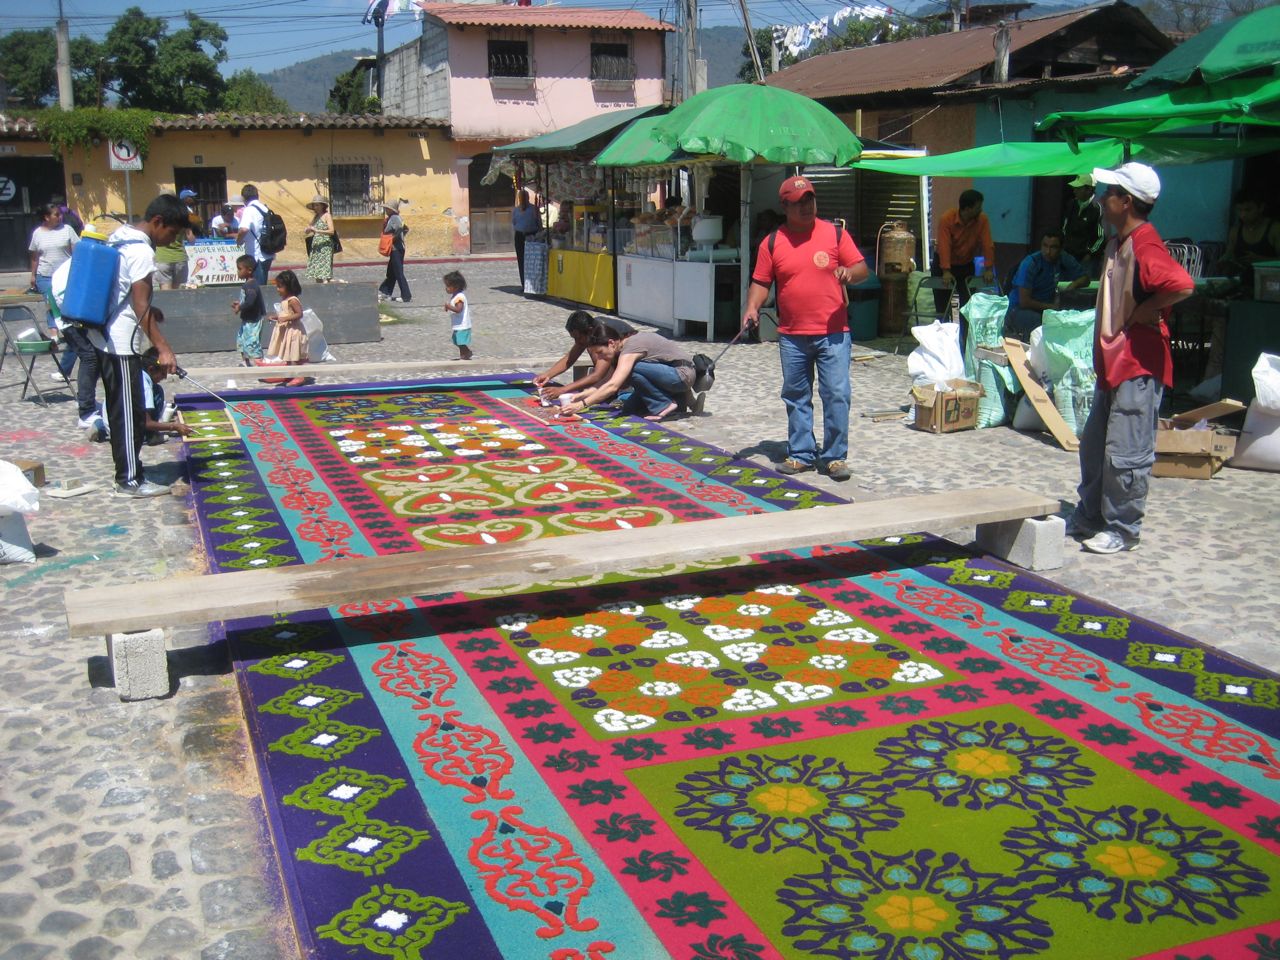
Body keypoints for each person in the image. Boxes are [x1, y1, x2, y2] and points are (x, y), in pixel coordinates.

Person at [1068, 162, 1194, 555]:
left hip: (1138, 364)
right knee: (1094, 448)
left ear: (1126, 202)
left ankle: (1123, 529)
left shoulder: (1145, 244)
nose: (1102, 198)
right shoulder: (1117, 242)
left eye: (1109, 193)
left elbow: (1182, 285)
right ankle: (1091, 515)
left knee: (1126, 451)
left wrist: (1147, 309)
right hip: (1114, 361)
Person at [740, 175, 868, 481]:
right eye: (798, 203)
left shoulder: (834, 234)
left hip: (834, 333)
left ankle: (835, 457)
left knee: (836, 394)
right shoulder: (772, 242)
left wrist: (849, 273)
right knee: (796, 395)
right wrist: (752, 307)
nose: (806, 206)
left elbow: (862, 268)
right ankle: (801, 453)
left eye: (809, 199)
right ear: (785, 206)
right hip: (792, 336)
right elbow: (761, 281)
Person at [86, 194, 187, 498]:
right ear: (158, 222)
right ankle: (129, 479)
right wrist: (163, 347)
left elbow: (126, 292)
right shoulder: (142, 250)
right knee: (128, 411)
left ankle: (129, 472)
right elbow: (139, 303)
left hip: (104, 335)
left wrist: (150, 311)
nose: (172, 240)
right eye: (172, 233)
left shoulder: (121, 236)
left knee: (122, 407)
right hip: (121, 341)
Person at [560, 323, 695, 422]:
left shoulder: (630, 349)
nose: (600, 358)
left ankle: (664, 404)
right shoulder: (620, 350)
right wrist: (580, 396)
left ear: (611, 343)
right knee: (630, 409)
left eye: (601, 352)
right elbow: (608, 381)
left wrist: (581, 405)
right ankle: (679, 400)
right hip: (669, 376)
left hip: (681, 375)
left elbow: (613, 386)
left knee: (632, 369)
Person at [533, 310, 636, 401]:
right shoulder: (588, 333)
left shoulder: (602, 335)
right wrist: (547, 375)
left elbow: (597, 375)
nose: (577, 342)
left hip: (633, 364)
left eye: (578, 338)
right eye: (574, 338)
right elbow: (570, 358)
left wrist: (562, 390)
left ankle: (625, 391)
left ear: (589, 330)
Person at [1004, 229, 1088, 340]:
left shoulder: (1063, 258)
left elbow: (1085, 279)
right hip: (1019, 310)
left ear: (1060, 249)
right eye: (1045, 246)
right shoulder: (1030, 263)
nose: (1047, 251)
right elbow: (1024, 302)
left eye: (1053, 247)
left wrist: (1073, 285)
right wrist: (1053, 307)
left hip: (1046, 309)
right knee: (1042, 325)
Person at [933, 188, 995, 316]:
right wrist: (946, 271)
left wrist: (989, 268)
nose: (981, 210)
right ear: (967, 209)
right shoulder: (947, 219)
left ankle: (966, 329)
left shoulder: (982, 220)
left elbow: (987, 244)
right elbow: (944, 246)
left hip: (966, 264)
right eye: (978, 207)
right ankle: (944, 327)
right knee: (942, 306)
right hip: (943, 264)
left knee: (968, 305)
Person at [28, 203, 78, 337]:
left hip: (65, 276)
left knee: (65, 302)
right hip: (45, 275)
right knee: (51, 303)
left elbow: (76, 251)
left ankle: (71, 332)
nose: (60, 217)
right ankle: (54, 335)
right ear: (47, 217)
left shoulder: (67, 229)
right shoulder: (37, 233)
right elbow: (35, 257)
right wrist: (33, 276)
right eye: (56, 214)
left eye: (60, 214)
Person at [1219, 188, 1280, 287]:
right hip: (1241, 285)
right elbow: (1229, 254)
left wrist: (1261, 260)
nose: (1243, 215)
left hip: (1270, 285)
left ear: (1261, 208)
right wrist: (1224, 261)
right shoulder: (1235, 231)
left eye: (1248, 210)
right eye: (1239, 210)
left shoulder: (1275, 229)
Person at [261, 269, 308, 387]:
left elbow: (299, 314)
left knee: (293, 355)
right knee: (287, 353)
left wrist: (285, 319)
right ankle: (290, 373)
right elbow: (285, 313)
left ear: (289, 286)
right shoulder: (285, 300)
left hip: (294, 331)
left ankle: (299, 376)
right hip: (287, 331)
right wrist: (276, 317)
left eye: (280, 287)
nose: (278, 289)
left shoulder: (293, 300)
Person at [153, 189, 199, 289]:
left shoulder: (157, 217)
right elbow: (191, 239)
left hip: (162, 257)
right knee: (178, 293)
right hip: (180, 257)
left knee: (166, 293)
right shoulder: (182, 216)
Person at [1062, 174, 1105, 276]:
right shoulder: (1072, 204)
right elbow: (1065, 228)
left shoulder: (1097, 208)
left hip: (1086, 260)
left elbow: (1101, 237)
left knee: (1084, 284)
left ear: (1089, 190)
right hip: (1068, 256)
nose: (1074, 191)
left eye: (1078, 188)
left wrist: (1090, 254)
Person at [230, 254, 267, 366]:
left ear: (249, 270)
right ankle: (245, 361)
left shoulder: (251, 286)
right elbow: (247, 300)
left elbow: (250, 301)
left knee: (252, 342)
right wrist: (240, 303)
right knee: (241, 340)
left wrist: (240, 307)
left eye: (240, 269)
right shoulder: (247, 284)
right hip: (247, 319)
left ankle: (259, 362)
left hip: (253, 320)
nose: (238, 271)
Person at [236, 184, 273, 285]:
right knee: (262, 285)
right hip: (267, 253)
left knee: (256, 287)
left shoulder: (249, 210)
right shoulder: (265, 208)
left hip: (256, 256)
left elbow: (244, 229)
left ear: (244, 198)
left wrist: (238, 240)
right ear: (257, 195)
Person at [378, 199, 411, 303]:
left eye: (387, 208)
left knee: (398, 272)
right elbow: (406, 229)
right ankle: (386, 292)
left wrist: (392, 239)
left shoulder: (394, 218)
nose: (386, 210)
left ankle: (406, 296)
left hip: (396, 249)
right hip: (395, 248)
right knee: (391, 272)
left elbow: (400, 229)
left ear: (391, 209)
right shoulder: (393, 218)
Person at [511, 190, 542, 288]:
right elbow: (514, 222)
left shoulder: (534, 209)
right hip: (519, 236)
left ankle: (532, 283)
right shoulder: (516, 210)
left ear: (528, 198)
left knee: (532, 260)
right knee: (521, 260)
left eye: (525, 197)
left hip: (531, 235)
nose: (523, 199)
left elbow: (539, 223)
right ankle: (524, 283)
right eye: (522, 197)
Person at [304, 195, 336, 283]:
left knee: (325, 270)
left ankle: (329, 285)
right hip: (316, 246)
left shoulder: (327, 216)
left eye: (317, 205)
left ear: (322, 205)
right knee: (317, 271)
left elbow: (331, 231)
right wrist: (308, 230)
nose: (315, 207)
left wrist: (317, 230)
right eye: (314, 205)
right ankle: (320, 287)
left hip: (325, 246)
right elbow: (309, 228)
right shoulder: (316, 217)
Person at [443, 270, 472, 360]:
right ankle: (464, 353)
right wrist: (448, 307)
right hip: (458, 324)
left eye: (448, 286)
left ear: (456, 287)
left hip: (462, 324)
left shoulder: (459, 297)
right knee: (456, 340)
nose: (446, 288)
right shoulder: (455, 296)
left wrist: (449, 306)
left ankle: (466, 353)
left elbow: (459, 309)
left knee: (460, 341)